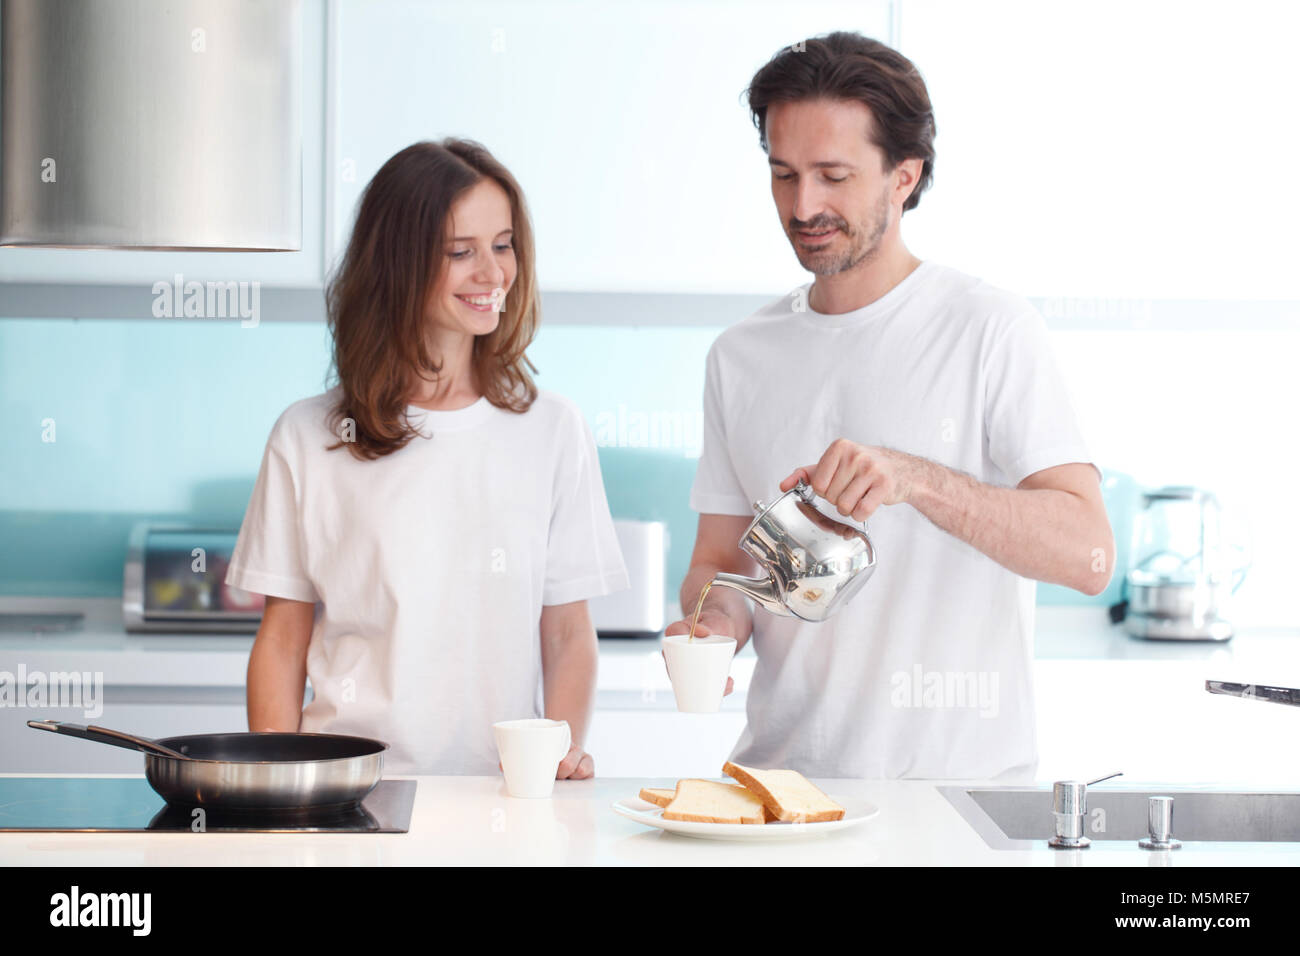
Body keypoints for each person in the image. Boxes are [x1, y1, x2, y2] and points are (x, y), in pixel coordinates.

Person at [666, 33, 1114, 780]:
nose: (803, 206)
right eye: (784, 175)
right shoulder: (739, 357)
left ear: (904, 176)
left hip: (959, 805)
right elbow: (721, 559)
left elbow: (1090, 555)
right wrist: (712, 621)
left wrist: (918, 479)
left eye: (833, 176)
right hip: (780, 794)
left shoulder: (989, 329)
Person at [227, 139, 628, 777]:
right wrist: (280, 785)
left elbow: (567, 633)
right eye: (460, 252)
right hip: (347, 789)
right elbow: (282, 639)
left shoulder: (552, 429)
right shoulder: (309, 436)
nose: (493, 273)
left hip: (503, 793)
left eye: (502, 245)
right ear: (398, 264)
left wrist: (560, 750)